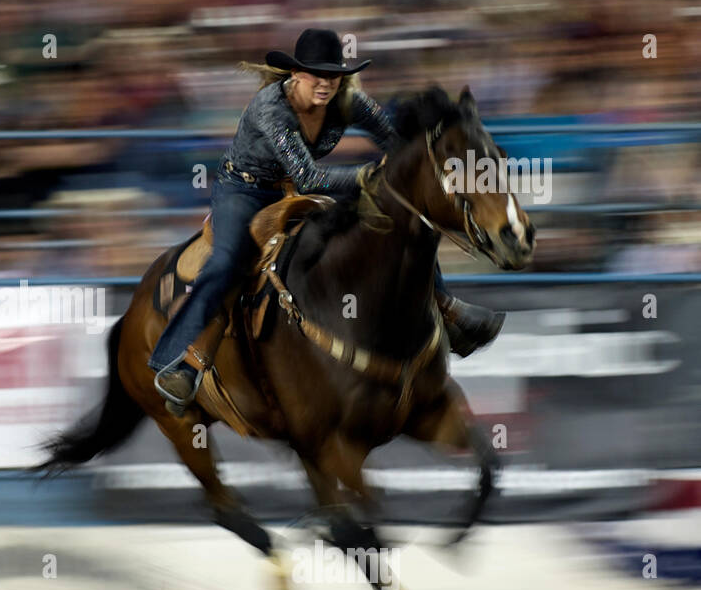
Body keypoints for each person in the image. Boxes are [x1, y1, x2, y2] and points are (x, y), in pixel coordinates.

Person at [150, 28, 504, 413]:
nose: (325, 83)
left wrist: (419, 167)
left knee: (399, 217)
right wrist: (369, 177)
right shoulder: (270, 108)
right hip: (245, 190)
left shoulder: (349, 100)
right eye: (316, 74)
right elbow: (310, 178)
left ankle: (444, 306)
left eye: (332, 75)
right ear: (295, 75)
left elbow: (393, 140)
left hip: (295, 189)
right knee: (226, 262)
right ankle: (182, 363)